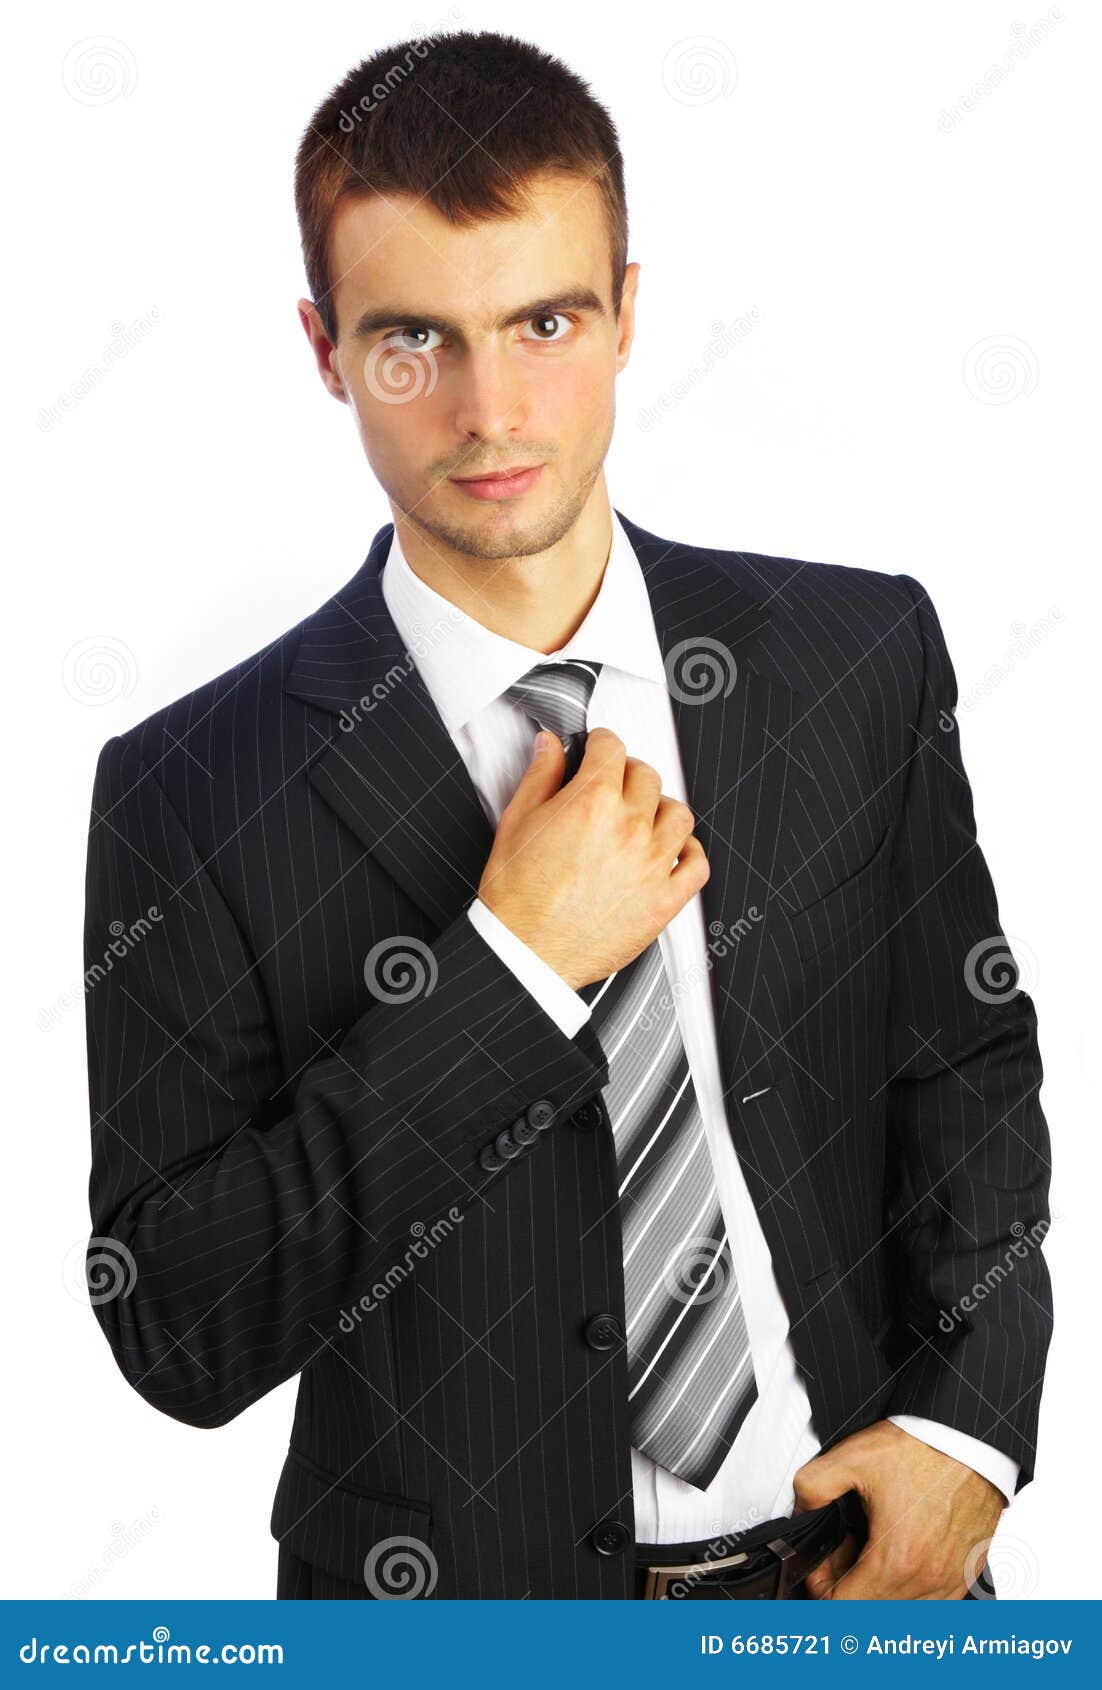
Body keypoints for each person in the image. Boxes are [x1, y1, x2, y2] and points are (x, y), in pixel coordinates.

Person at [83, 30, 1051, 1601]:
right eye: (413, 339)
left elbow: (961, 1066)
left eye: (543, 320)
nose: (487, 408)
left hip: (858, 1592)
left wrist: (970, 1431)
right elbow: (177, 1325)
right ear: (325, 349)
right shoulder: (189, 790)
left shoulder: (852, 658)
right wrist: (512, 969)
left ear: (625, 317)